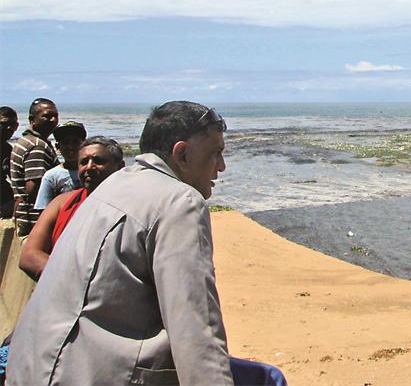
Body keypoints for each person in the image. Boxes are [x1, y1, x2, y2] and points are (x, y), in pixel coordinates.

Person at [7, 101, 286, 386]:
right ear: (182, 154)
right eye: (216, 153)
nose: (222, 166)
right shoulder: (180, 201)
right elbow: (195, 327)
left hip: (32, 367)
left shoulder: (112, 186)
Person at [20, 136, 124, 281]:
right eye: (83, 162)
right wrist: (72, 282)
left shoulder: (133, 207)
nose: (89, 167)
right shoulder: (62, 203)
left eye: (98, 161)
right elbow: (29, 255)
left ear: (120, 167)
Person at [9, 99, 59, 236]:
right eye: (47, 116)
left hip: (25, 216)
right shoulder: (37, 146)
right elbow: (34, 191)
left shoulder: (25, 140)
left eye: (55, 115)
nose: (53, 120)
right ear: (32, 119)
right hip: (34, 219)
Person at [33, 121, 87, 210]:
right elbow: (43, 209)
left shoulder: (90, 171)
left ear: (84, 145)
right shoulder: (51, 176)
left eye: (76, 142)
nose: (70, 146)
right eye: (65, 142)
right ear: (58, 146)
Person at [0, 106, 19, 218]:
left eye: (13, 125)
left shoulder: (7, 148)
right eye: (4, 124)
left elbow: (14, 176)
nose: (9, 128)